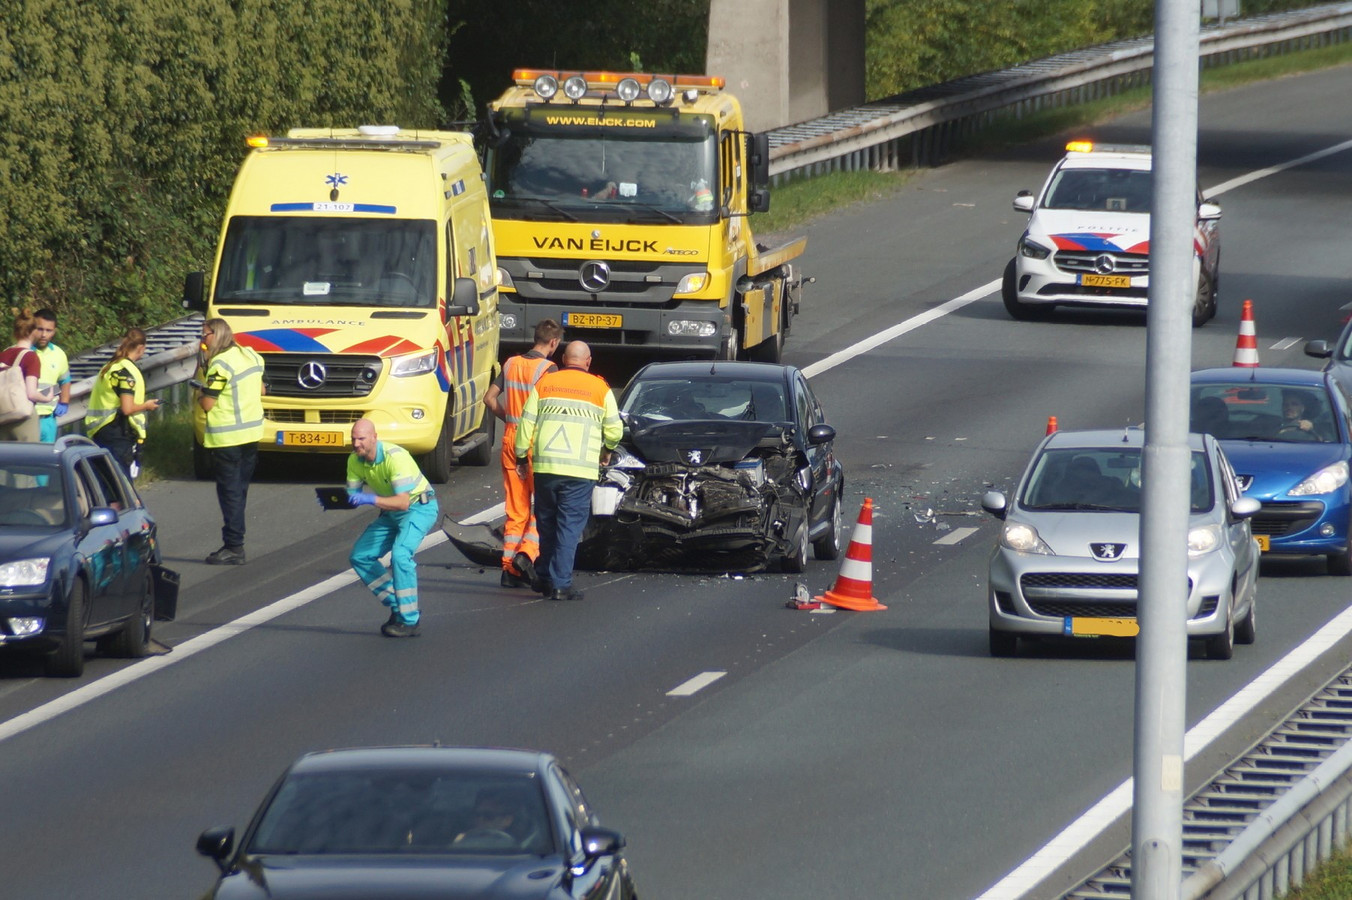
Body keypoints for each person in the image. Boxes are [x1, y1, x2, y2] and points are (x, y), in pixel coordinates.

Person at [513, 341, 622, 602]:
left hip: (546, 469)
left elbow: (526, 423)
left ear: (563, 358)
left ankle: (544, 576)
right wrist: (607, 449)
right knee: (569, 528)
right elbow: (615, 430)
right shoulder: (600, 388)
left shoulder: (545, 383)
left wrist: (520, 457)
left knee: (547, 525)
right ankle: (561, 583)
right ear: (588, 361)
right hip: (580, 471)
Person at [483, 319, 561, 589]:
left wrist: (510, 419)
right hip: (536, 442)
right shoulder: (548, 369)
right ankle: (526, 554)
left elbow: (489, 399)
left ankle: (508, 571)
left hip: (510, 439)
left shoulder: (511, 364)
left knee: (516, 510)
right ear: (553, 342)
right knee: (543, 507)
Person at [346, 418, 439, 637]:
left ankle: (409, 619)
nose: (356, 444)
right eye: (353, 439)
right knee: (360, 555)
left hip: (419, 508)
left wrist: (368, 499)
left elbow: (403, 502)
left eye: (361, 439)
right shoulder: (354, 460)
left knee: (400, 555)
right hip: (391, 511)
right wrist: (337, 501)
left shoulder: (395, 458)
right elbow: (353, 495)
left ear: (374, 437)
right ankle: (399, 605)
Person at [197, 318, 266, 565]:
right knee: (240, 491)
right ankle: (235, 542)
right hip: (251, 435)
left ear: (216, 335)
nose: (202, 342)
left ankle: (234, 547)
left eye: (204, 336)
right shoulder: (251, 356)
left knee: (230, 494)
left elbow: (208, 403)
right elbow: (262, 391)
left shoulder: (220, 365)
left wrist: (200, 392)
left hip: (227, 438)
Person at [83, 328, 160, 477]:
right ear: (140, 348)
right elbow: (127, 408)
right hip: (117, 432)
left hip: (101, 430)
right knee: (122, 487)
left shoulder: (111, 366)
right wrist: (147, 405)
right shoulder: (126, 372)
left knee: (107, 484)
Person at [0, 309, 57, 442]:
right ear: (34, 331)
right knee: (28, 459)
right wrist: (47, 397)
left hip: (3, 415)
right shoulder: (31, 357)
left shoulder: (4, 354)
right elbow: (31, 393)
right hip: (22, 418)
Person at [32, 309, 71, 443]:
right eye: (39, 329)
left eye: (48, 331)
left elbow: (65, 380)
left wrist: (64, 402)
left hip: (48, 419)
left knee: (45, 462)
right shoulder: (20, 352)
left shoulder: (59, 354)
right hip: (25, 419)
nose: (43, 335)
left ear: (54, 331)